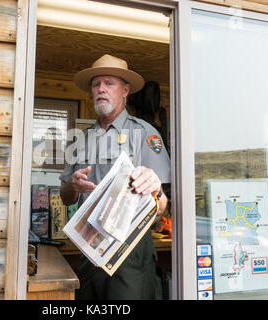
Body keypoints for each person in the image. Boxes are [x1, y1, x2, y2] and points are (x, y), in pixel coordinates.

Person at [59, 54, 171, 300]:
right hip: (90, 249)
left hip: (130, 253)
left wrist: (155, 190)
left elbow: (161, 206)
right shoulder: (82, 139)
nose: (101, 89)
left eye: (109, 83)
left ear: (125, 90)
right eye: (96, 84)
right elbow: (65, 198)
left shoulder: (144, 133)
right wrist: (72, 185)